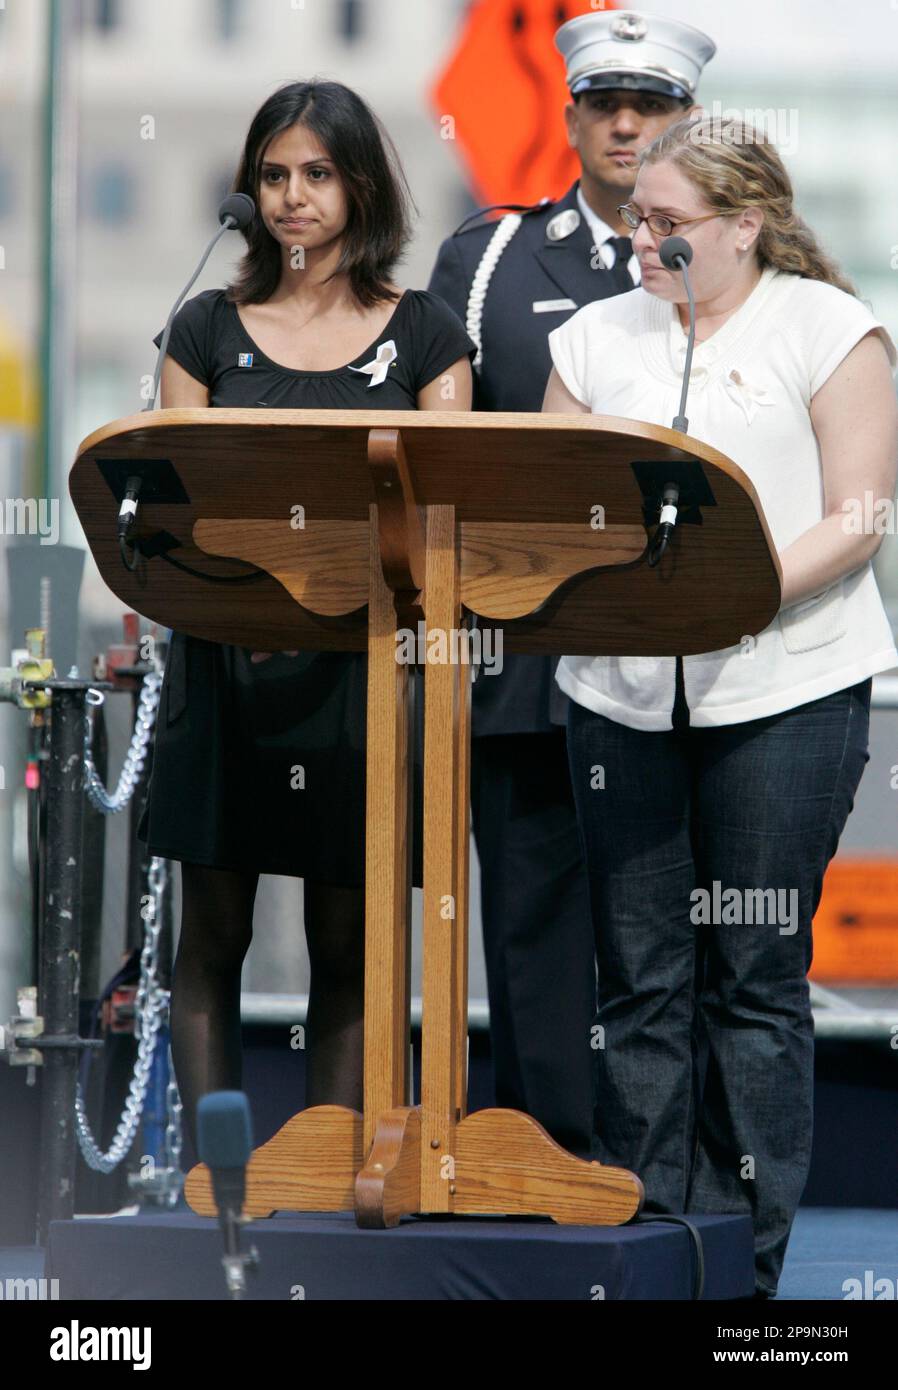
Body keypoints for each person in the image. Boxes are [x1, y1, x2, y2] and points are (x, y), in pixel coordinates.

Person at [543, 113, 898, 1295]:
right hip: (620, 696)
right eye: (634, 217)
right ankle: (652, 1249)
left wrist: (739, 595)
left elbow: (856, 518)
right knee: (637, 976)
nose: (641, 239)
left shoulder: (829, 327)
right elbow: (551, 506)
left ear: (745, 226)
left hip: (786, 689)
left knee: (750, 970)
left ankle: (743, 1268)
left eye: (668, 224)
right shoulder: (595, 339)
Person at [137, 79, 475, 1149]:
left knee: (350, 940)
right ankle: (218, 1194)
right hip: (223, 665)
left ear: (361, 185)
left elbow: (448, 522)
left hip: (364, 674)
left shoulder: (425, 336)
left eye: (316, 174)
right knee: (214, 936)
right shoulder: (203, 327)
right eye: (273, 176)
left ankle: (329, 1187)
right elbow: (161, 507)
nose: (291, 197)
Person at [428, 11, 716, 1156]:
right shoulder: (488, 256)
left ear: (687, 119)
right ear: (570, 115)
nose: (628, 123)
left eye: (650, 105)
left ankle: (668, 1181)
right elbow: (439, 447)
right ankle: (544, 1176)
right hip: (524, 658)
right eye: (605, 103)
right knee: (534, 930)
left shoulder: (735, 255)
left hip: (683, 657)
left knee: (670, 939)